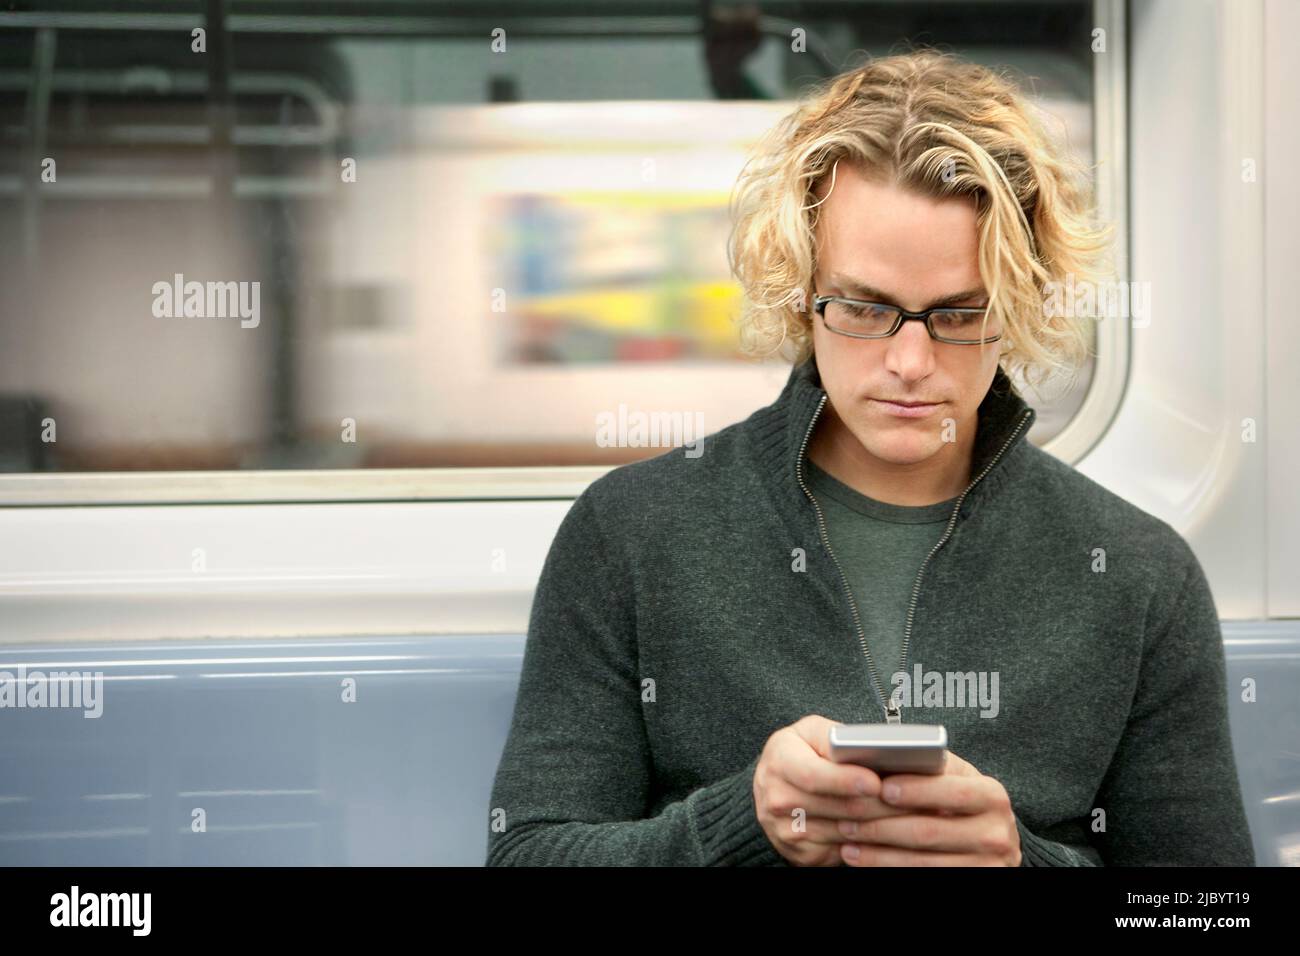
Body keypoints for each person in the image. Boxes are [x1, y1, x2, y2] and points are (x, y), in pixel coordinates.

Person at [485, 50, 1255, 866]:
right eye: (863, 307)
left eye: (961, 314)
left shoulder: (1139, 576)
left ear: (1021, 300)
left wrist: (1022, 863)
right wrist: (742, 826)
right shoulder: (630, 535)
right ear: (801, 289)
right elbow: (528, 855)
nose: (913, 362)